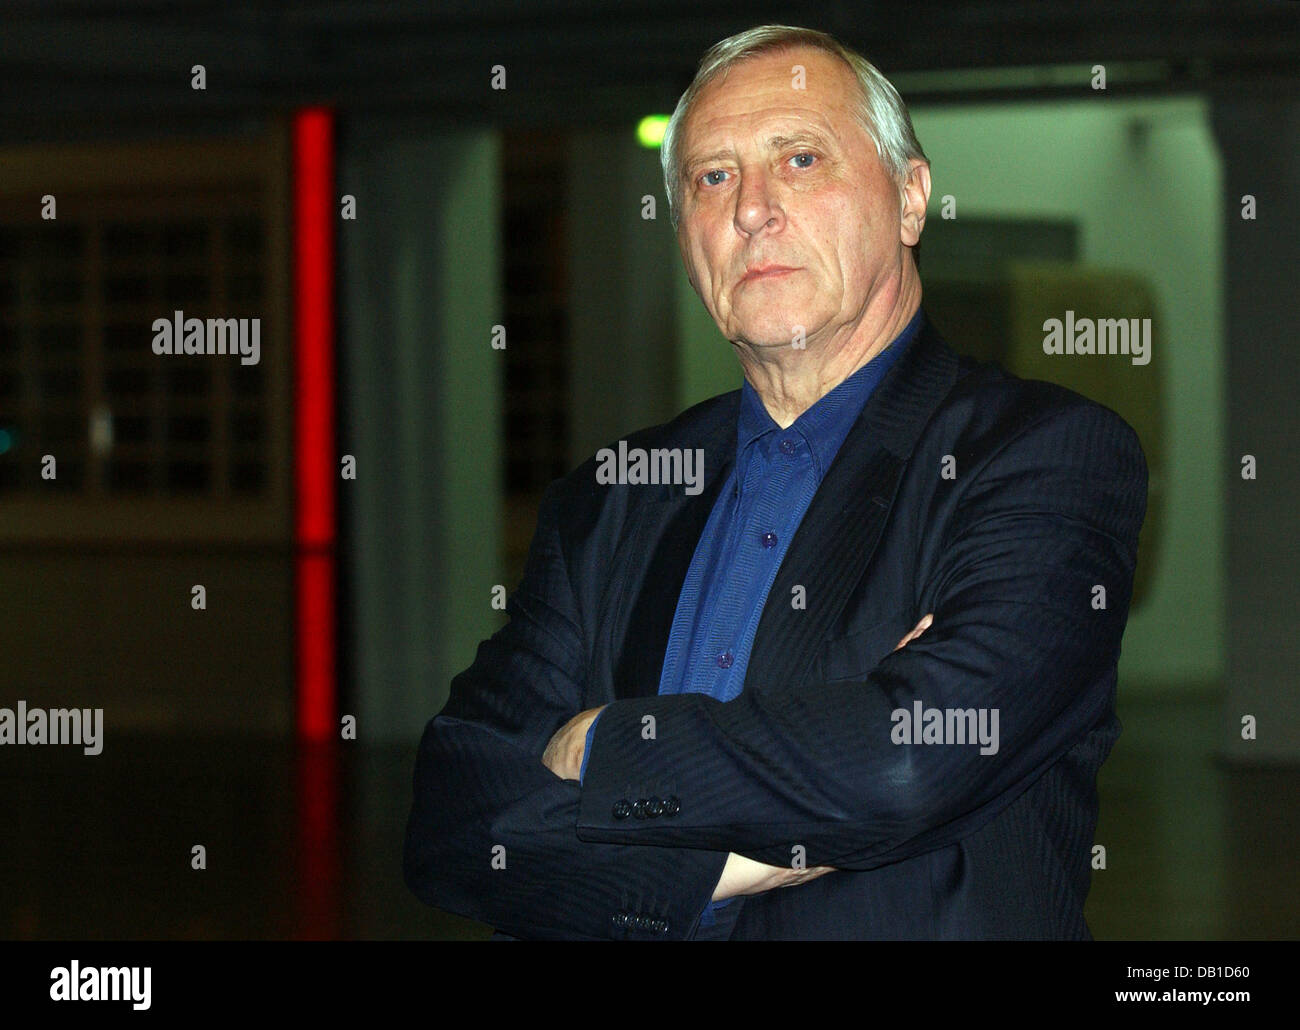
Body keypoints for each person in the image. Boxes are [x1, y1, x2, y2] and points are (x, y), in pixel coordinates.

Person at [404, 23, 1147, 939]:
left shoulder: (1043, 457)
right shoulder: (613, 498)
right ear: (685, 236)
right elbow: (454, 818)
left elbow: (911, 759)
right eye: (713, 178)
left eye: (800, 159)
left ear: (911, 199)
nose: (752, 209)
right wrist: (715, 870)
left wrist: (604, 742)